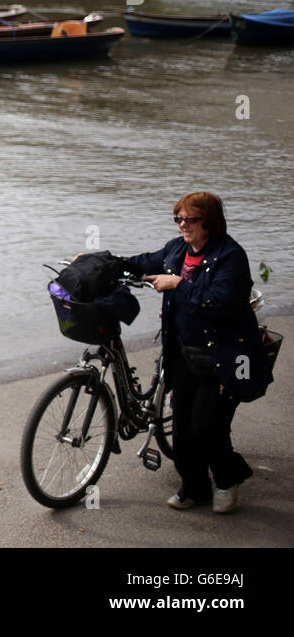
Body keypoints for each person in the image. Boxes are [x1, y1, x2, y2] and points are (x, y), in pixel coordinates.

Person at [122, 191, 271, 513]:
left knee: (207, 426)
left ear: (211, 221)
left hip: (224, 356)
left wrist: (178, 285)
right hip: (184, 353)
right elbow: (143, 262)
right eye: (178, 218)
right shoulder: (177, 249)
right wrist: (100, 262)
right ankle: (194, 487)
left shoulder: (230, 256)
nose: (183, 225)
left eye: (191, 219)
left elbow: (219, 302)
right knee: (183, 428)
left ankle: (229, 478)